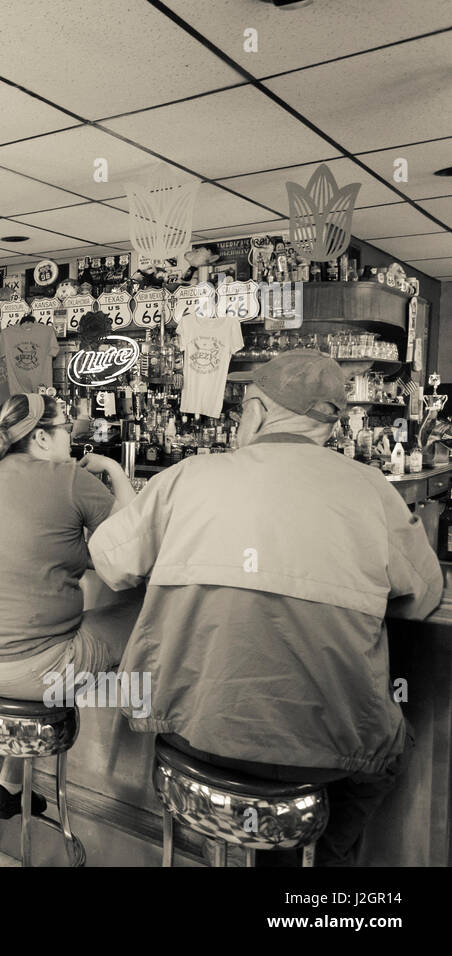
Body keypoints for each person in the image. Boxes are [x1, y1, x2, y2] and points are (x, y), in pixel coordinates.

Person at [88, 350, 443, 865]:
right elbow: (424, 597)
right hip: (327, 753)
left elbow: (110, 562)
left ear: (253, 410)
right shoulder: (373, 491)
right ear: (332, 423)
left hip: (190, 736)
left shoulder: (187, 478)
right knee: (382, 758)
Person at [0, 392, 141, 819]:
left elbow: (36, 545)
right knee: (143, 607)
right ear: (43, 438)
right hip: (27, 670)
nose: (71, 438)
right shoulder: (66, 475)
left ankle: (8, 785)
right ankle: (141, 763)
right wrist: (116, 471)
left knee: (40, 634)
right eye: (67, 428)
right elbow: (130, 552)